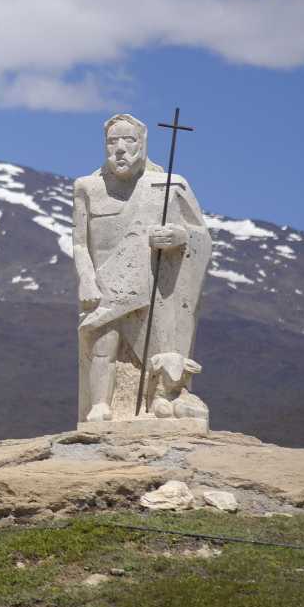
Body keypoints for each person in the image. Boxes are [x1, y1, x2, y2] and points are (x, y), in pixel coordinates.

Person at [72, 113, 211, 423]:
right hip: (104, 286)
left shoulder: (167, 186)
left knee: (161, 347)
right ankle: (101, 405)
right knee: (102, 342)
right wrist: (86, 279)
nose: (120, 148)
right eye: (112, 141)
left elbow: (200, 236)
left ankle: (162, 396)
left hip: (152, 289)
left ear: (143, 144)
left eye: (129, 140)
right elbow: (80, 243)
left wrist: (179, 236)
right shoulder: (87, 188)